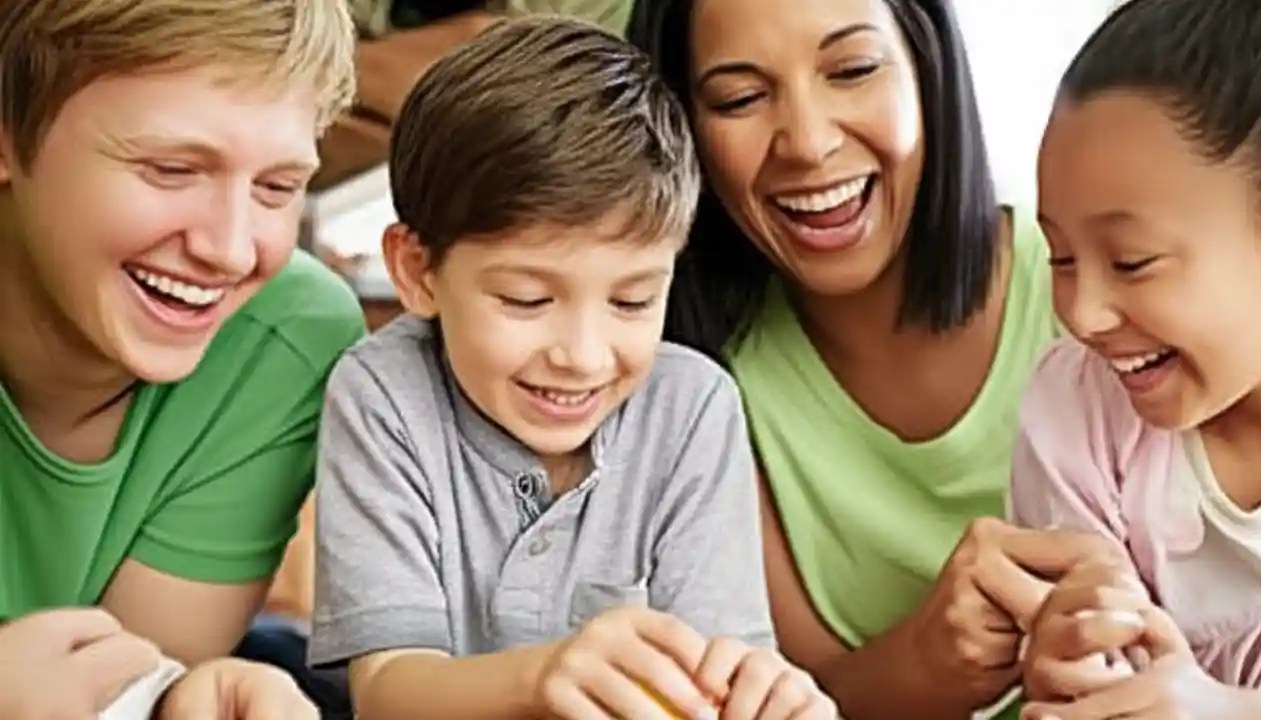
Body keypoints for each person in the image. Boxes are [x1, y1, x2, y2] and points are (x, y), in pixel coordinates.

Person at [309, 16, 836, 720]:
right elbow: (388, 691)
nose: (583, 356)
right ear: (418, 270)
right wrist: (541, 678)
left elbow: (723, 666)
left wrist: (768, 694)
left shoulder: (693, 407)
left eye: (633, 299)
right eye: (526, 300)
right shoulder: (383, 396)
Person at [627, 0, 1115, 717]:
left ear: (928, 68)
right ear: (683, 129)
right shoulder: (694, 382)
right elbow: (797, 695)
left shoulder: (1101, 295)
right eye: (741, 98)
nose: (808, 142)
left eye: (852, 69)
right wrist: (928, 658)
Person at [0, 0, 363, 717]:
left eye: (277, 187)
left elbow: (117, 691)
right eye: (172, 169)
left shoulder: (285, 339)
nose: (229, 248)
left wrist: (186, 698)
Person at [1009, 0, 1261, 717]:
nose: (1082, 314)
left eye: (1132, 261)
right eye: (1060, 257)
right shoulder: (1078, 411)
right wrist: (1068, 645)